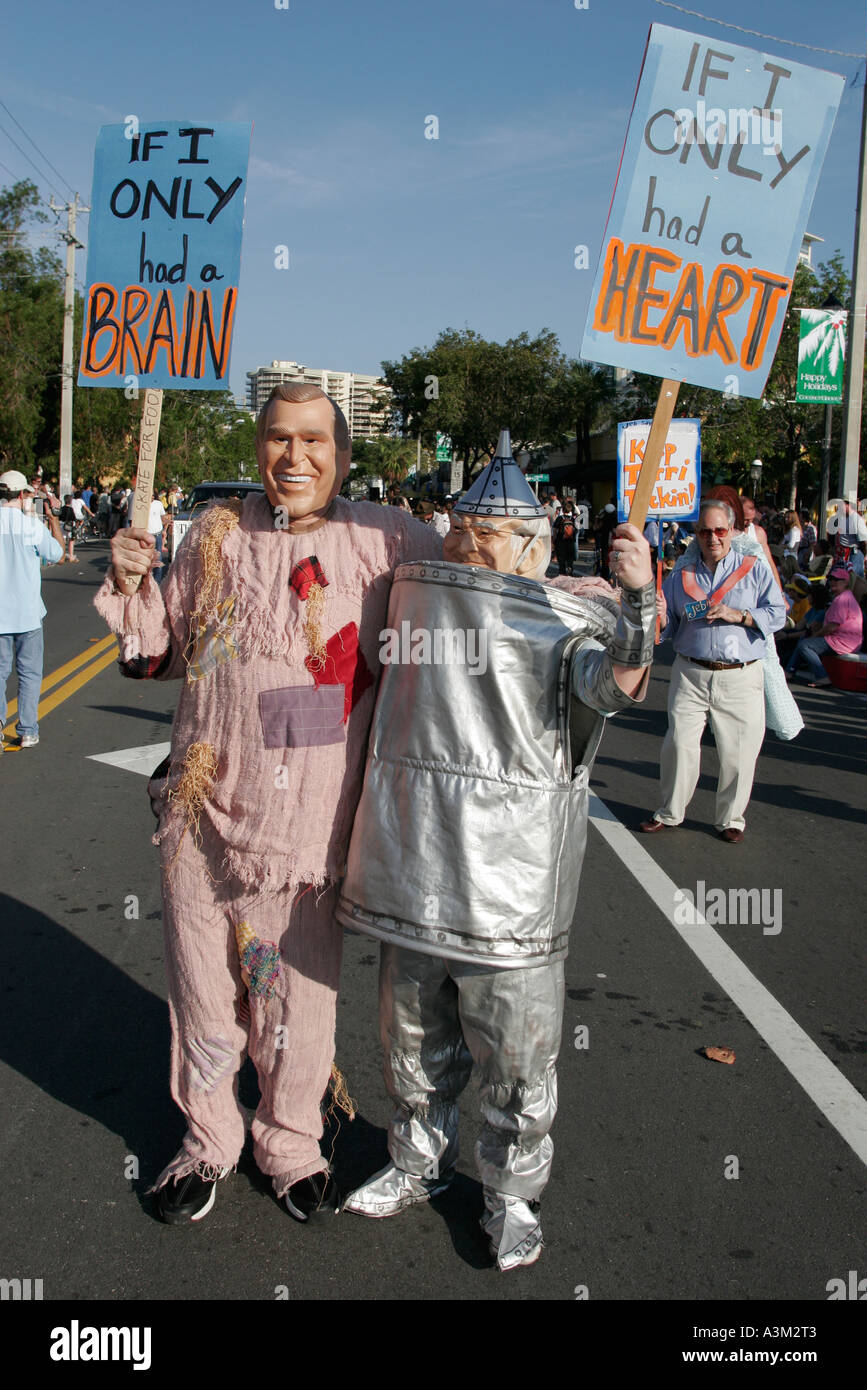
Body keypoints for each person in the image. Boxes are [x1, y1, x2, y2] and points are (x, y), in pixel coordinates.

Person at [94, 384, 442, 1226]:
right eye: (279, 439)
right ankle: (205, 1140)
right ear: (259, 448)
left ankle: (289, 1140)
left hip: (307, 834)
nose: (295, 457)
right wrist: (130, 579)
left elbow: (481, 593)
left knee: (297, 1000)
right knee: (204, 993)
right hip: (200, 812)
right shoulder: (215, 534)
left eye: (314, 441)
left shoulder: (386, 537)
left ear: (343, 455)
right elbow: (157, 657)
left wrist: (620, 590)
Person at [338, 432, 656, 1271]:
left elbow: (614, 690)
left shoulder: (565, 618)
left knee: (516, 1053)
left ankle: (510, 1193)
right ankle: (414, 1162)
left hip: (511, 878)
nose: (467, 545)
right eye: (460, 531)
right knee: (407, 1034)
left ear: (531, 546)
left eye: (488, 535)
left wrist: (640, 603)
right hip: (413, 861)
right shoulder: (412, 600)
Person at [640, 497, 786, 843]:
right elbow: (671, 627)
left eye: (720, 530)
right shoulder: (681, 576)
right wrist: (660, 616)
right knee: (678, 745)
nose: (713, 537)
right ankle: (670, 811)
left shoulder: (754, 569)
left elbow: (779, 612)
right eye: (705, 531)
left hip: (740, 674)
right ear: (696, 533)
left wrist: (742, 616)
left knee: (738, 752)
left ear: (733, 531)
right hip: (690, 673)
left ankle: (730, 818)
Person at [0, 470, 64, 750]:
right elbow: (57, 553)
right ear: (23, 494)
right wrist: (52, 520)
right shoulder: (30, 526)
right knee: (29, 673)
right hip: (27, 613)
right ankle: (27, 728)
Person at [785, 568, 863, 686]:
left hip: (843, 641)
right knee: (805, 639)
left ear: (845, 582)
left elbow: (832, 627)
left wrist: (815, 635)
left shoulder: (842, 600)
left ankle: (823, 676)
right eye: (831, 579)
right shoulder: (844, 597)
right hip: (845, 639)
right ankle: (789, 671)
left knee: (805, 645)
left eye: (836, 579)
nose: (832, 582)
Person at [552, 498, 578, 575]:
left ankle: (562, 573)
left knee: (561, 559)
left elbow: (555, 530)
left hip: (561, 541)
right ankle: (570, 570)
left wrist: (554, 539)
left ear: (562, 510)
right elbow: (576, 530)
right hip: (570, 541)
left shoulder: (560, 518)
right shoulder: (573, 519)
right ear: (570, 510)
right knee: (569, 558)